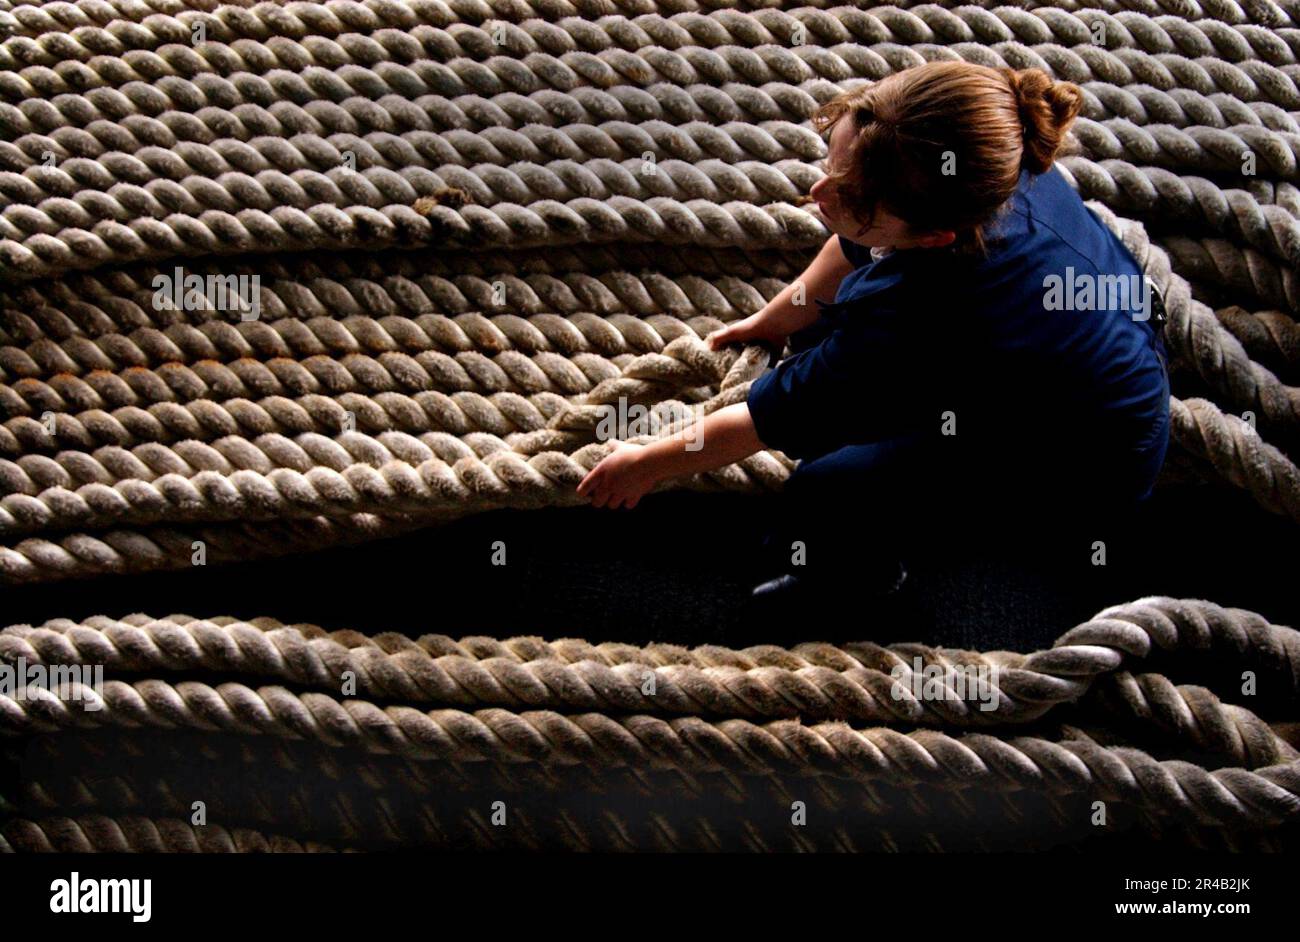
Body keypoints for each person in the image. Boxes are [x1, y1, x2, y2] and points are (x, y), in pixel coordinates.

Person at [575, 62, 1171, 610]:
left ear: (936, 238)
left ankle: (855, 579)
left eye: (851, 199)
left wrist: (645, 464)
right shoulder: (983, 163)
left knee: (826, 486)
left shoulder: (919, 316)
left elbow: (766, 422)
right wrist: (776, 319)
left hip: (1082, 460)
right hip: (1074, 352)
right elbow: (854, 245)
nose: (818, 195)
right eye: (834, 169)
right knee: (833, 343)